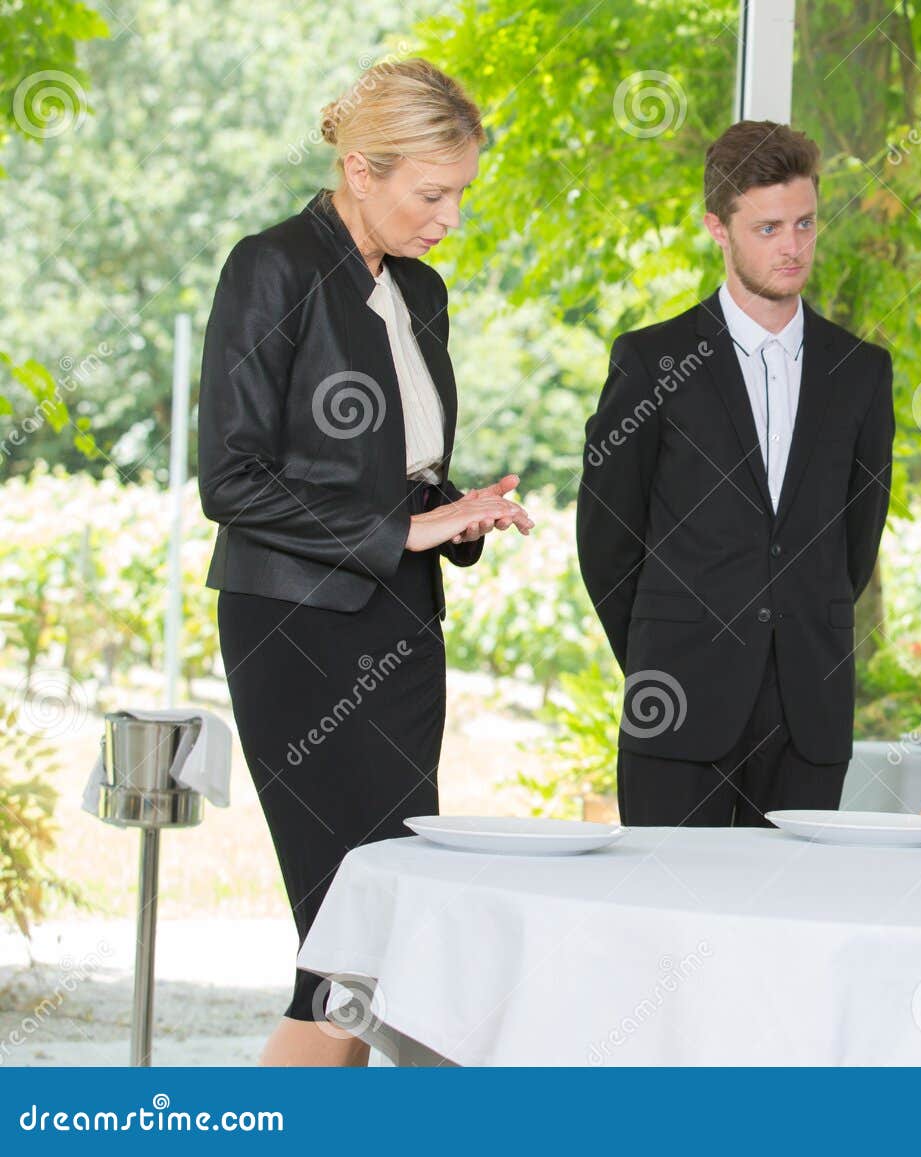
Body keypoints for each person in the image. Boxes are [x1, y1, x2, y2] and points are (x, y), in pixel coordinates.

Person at [198, 58, 530, 1066]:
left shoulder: (420, 292)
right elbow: (233, 477)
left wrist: (448, 511)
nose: (450, 218)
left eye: (460, 193)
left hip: (400, 626)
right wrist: (398, 529)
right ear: (359, 167)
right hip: (298, 633)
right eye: (433, 194)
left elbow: (387, 472)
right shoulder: (272, 268)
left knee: (374, 937)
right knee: (345, 939)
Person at [577, 120, 894, 827]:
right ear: (718, 229)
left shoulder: (861, 372)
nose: (793, 246)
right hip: (678, 702)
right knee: (667, 921)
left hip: (810, 710)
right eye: (769, 227)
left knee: (788, 929)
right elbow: (607, 538)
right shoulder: (651, 362)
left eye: (806, 223)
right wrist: (664, 651)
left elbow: (856, 539)